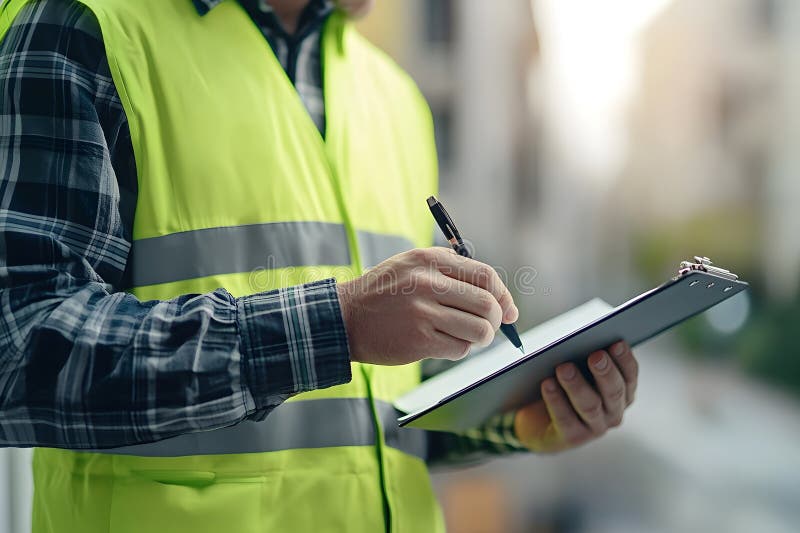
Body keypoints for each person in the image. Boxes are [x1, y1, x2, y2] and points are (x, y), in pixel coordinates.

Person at [0, 0, 640, 531]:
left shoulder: (393, 96)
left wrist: (516, 420)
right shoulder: (80, 29)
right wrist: (340, 324)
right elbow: (18, 350)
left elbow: (367, 419)